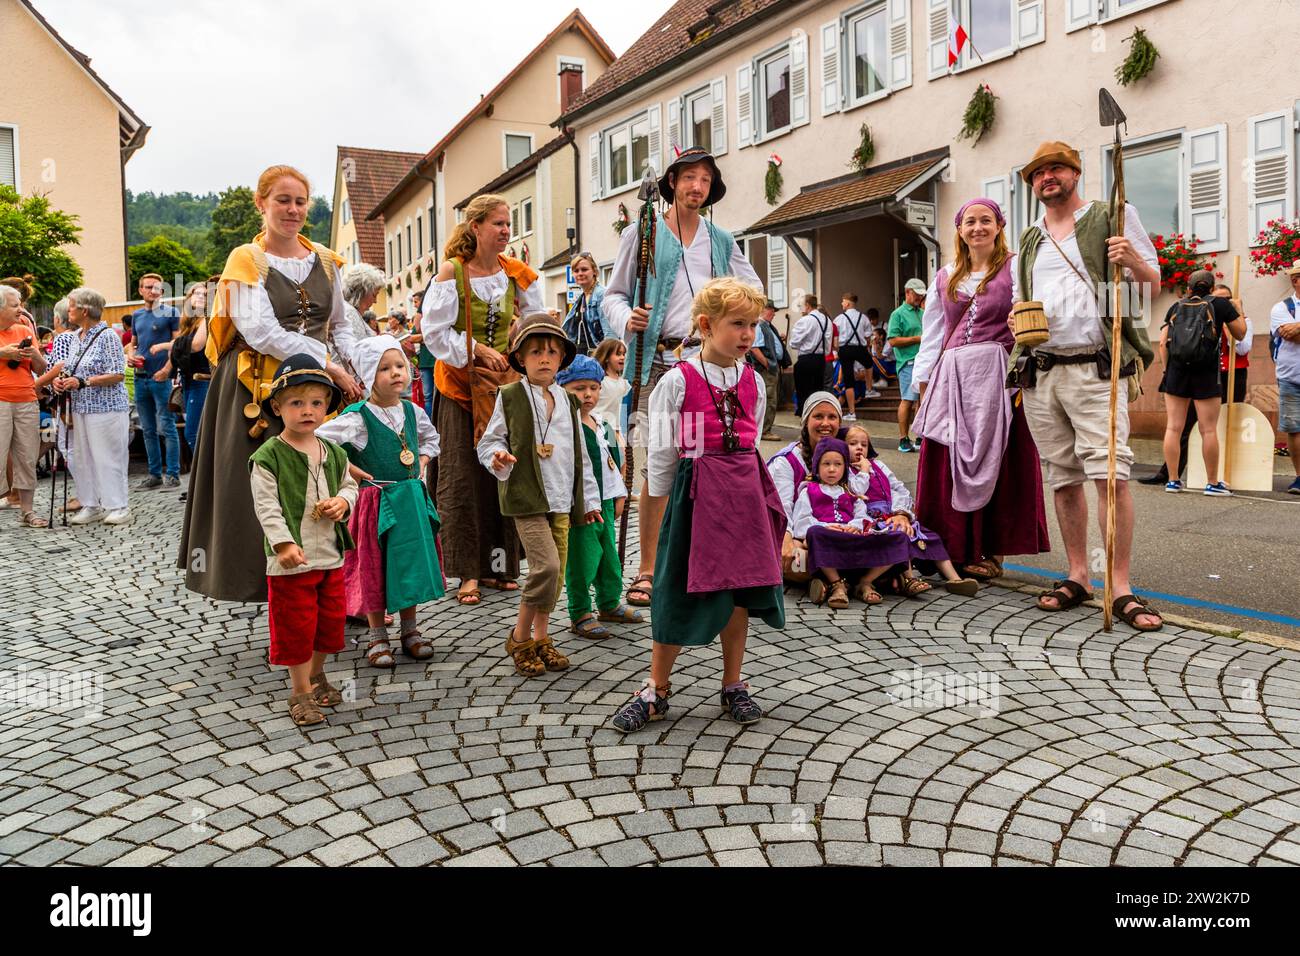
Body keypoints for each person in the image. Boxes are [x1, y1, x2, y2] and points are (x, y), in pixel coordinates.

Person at [608, 277, 784, 733]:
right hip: (695, 494)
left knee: (740, 590)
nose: (748, 334)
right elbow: (662, 456)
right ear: (706, 325)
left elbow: (752, 438)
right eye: (737, 324)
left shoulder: (753, 380)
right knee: (676, 587)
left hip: (743, 494)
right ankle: (656, 688)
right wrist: (663, 517)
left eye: (752, 325)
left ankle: (733, 683)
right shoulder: (677, 381)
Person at [179, 164, 361, 604]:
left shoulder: (327, 261)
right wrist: (329, 365)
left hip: (317, 391)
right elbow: (260, 332)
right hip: (252, 391)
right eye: (282, 200)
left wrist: (357, 368)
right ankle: (273, 595)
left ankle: (336, 593)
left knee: (325, 484)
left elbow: (341, 325)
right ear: (261, 204)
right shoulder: (245, 260)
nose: (293, 209)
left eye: (300, 201)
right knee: (264, 491)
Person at [1008, 141, 1162, 630]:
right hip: (1042, 371)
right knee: (1063, 478)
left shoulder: (1112, 216)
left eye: (1055, 169)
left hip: (1097, 369)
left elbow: (1151, 284)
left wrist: (1132, 260)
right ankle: (1078, 575)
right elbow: (1019, 299)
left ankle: (1120, 587)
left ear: (1075, 173)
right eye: (1037, 174)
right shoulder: (1031, 238)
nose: (1046, 178)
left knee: (1111, 477)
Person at [602, 145, 762, 609]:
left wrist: (739, 324)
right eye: (689, 178)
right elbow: (611, 295)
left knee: (699, 461)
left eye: (705, 181)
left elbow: (752, 293)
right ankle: (648, 567)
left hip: (705, 366)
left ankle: (695, 558)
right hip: (655, 363)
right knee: (656, 461)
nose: (696, 187)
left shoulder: (722, 241)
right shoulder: (643, 232)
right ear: (672, 182)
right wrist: (624, 317)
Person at [912, 197, 1050, 581]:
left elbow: (1032, 314)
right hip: (953, 377)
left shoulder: (1016, 268)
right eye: (970, 222)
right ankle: (948, 548)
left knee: (1001, 463)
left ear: (999, 225)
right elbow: (934, 333)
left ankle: (992, 551)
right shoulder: (946, 275)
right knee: (948, 463)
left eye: (985, 221)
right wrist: (924, 382)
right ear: (959, 230)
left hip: (999, 376)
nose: (977, 228)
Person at [420, 193, 538, 605]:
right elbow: (434, 334)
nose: (506, 231)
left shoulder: (515, 273)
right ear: (476, 227)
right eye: (499, 224)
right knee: (463, 477)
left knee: (501, 473)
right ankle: (467, 572)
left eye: (509, 225)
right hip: (459, 388)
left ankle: (501, 566)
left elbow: (534, 323)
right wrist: (474, 349)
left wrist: (521, 349)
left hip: (503, 387)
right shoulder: (452, 273)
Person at [476, 313, 602, 677]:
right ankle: (519, 637)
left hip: (561, 497)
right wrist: (497, 458)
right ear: (520, 359)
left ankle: (542, 638)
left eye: (551, 351)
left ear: (562, 358)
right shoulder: (511, 396)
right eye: (535, 352)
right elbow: (490, 441)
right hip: (526, 497)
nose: (544, 358)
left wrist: (590, 501)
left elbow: (580, 454)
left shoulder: (568, 400)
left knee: (556, 573)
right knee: (544, 566)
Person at [317, 335, 443, 668]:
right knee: (374, 566)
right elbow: (321, 442)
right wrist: (353, 471)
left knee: (409, 565)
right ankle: (377, 636)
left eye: (400, 365)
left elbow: (432, 439)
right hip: (376, 502)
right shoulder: (358, 416)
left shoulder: (412, 411)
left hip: (411, 499)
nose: (395, 373)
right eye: (384, 368)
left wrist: (424, 460)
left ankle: (410, 630)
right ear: (368, 375)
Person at [248, 354, 358, 727]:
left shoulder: (334, 452)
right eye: (297, 403)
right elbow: (267, 507)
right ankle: (300, 691)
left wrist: (343, 502)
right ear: (278, 407)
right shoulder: (268, 457)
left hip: (329, 555)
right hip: (291, 563)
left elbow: (350, 484)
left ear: (327, 406)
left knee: (328, 626)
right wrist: (282, 544)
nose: (307, 411)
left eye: (316, 403)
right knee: (296, 627)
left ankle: (316, 673)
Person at [557, 353, 642, 638]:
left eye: (593, 388)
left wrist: (620, 494)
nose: (588, 394)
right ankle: (580, 611)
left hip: (605, 501)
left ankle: (608, 603)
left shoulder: (600, 423)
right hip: (580, 505)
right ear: (563, 390)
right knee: (583, 558)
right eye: (579, 388)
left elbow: (611, 466)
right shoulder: (564, 427)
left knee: (609, 556)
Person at [844, 424, 977, 599]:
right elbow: (855, 492)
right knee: (900, 535)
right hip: (871, 519)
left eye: (864, 444)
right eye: (853, 444)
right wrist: (864, 471)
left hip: (891, 514)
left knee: (930, 537)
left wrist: (900, 512)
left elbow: (899, 489)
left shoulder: (880, 466)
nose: (860, 447)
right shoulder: (847, 471)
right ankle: (908, 578)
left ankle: (955, 579)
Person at [1140, 282, 1253, 487]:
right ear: (1211, 289)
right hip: (1206, 372)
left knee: (1173, 428)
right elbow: (1241, 334)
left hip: (1177, 372)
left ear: (1189, 289)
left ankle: (1172, 480)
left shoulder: (1176, 307)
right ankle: (1212, 483)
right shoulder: (1220, 304)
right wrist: (1238, 309)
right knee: (1208, 430)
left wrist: (1167, 370)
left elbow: (1164, 341)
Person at [53, 288, 132, 526]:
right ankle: (92, 504)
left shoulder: (107, 336)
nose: (69, 309)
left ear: (85, 310)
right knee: (84, 457)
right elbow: (74, 368)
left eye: (72, 305)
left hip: (106, 407)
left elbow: (117, 373)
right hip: (81, 407)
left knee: (108, 457)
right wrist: (63, 379)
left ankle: (118, 505)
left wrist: (83, 382)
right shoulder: (78, 336)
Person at [789, 437, 897, 609]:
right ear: (817, 466)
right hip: (828, 540)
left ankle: (865, 581)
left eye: (838, 464)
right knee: (815, 533)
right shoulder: (808, 490)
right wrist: (826, 527)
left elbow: (863, 516)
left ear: (845, 467)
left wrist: (853, 526)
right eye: (826, 464)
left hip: (850, 539)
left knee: (898, 537)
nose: (832, 469)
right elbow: (802, 521)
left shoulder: (850, 492)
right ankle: (837, 584)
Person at [768, 390, 842, 582]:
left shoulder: (845, 456)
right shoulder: (786, 462)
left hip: (838, 535)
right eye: (818, 416)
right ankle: (835, 580)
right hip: (799, 536)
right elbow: (781, 510)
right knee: (797, 561)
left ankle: (832, 581)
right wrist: (789, 540)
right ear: (806, 422)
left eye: (832, 417)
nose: (825, 423)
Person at [128, 273, 182, 489]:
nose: (153, 290)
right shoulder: (136, 315)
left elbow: (177, 343)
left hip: (162, 378)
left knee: (167, 426)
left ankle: (173, 474)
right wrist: (131, 356)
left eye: (156, 287)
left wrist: (168, 369)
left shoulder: (170, 313)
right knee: (148, 429)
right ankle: (154, 475)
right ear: (140, 290)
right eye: (148, 287)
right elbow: (133, 343)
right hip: (141, 378)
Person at [0, 283, 47, 527]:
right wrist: (3, 353)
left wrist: (34, 353)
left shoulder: (23, 329)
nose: (21, 309)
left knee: (27, 457)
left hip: (27, 400)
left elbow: (40, 369)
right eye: (15, 305)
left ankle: (27, 512)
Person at [170, 281, 213, 464]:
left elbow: (196, 346)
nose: (200, 297)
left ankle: (204, 485)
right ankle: (199, 486)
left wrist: (171, 345)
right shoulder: (190, 323)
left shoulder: (206, 318)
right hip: (189, 382)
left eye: (205, 294)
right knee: (196, 433)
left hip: (202, 381)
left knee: (193, 433)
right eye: (196, 294)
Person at [1270, 259, 1300, 494]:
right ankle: (1299, 477)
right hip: (1290, 376)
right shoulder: (1281, 308)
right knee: (1294, 428)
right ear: (1296, 281)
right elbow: (1289, 336)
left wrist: (1297, 326)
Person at [888, 278, 927, 452]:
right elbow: (893, 341)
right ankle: (903, 438)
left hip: (923, 360)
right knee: (908, 399)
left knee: (922, 400)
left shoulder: (921, 312)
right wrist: (916, 339)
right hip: (908, 362)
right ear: (908, 292)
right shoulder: (898, 314)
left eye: (921, 295)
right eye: (917, 294)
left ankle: (919, 436)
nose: (919, 297)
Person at [338, 263, 382, 389]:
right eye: (374, 294)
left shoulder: (348, 310)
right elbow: (359, 354)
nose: (375, 301)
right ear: (362, 292)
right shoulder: (350, 313)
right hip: (352, 386)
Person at [749, 300, 788, 440]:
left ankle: (764, 430)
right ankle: (765, 431)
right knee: (769, 399)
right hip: (766, 369)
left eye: (773, 310)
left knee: (770, 399)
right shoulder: (760, 325)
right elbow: (754, 348)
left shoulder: (767, 326)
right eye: (771, 309)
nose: (773, 313)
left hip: (770, 368)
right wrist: (768, 364)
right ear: (762, 309)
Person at [789, 294, 833, 415]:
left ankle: (805, 420)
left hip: (806, 359)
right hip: (821, 360)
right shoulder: (827, 321)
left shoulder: (805, 320)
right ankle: (816, 417)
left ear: (807, 306)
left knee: (803, 393)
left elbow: (793, 343)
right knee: (817, 393)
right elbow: (828, 347)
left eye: (801, 305)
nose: (800, 308)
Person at [835, 293, 877, 420]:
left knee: (848, 382)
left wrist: (838, 350)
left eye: (843, 302)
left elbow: (834, 338)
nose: (841, 304)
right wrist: (866, 346)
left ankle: (852, 413)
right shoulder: (863, 317)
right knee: (869, 363)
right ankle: (869, 389)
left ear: (847, 303)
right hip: (859, 347)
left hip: (845, 349)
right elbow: (868, 336)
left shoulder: (838, 319)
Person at [562, 252, 608, 355]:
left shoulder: (602, 295)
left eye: (584, 269)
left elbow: (609, 333)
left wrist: (606, 358)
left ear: (594, 272)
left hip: (597, 357)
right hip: (581, 358)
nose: (580, 273)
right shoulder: (581, 298)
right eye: (576, 271)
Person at [592, 337, 630, 445]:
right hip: (600, 427)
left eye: (624, 354)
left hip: (616, 429)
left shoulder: (623, 383)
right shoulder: (600, 381)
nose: (622, 357)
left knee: (621, 459)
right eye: (618, 354)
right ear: (607, 357)